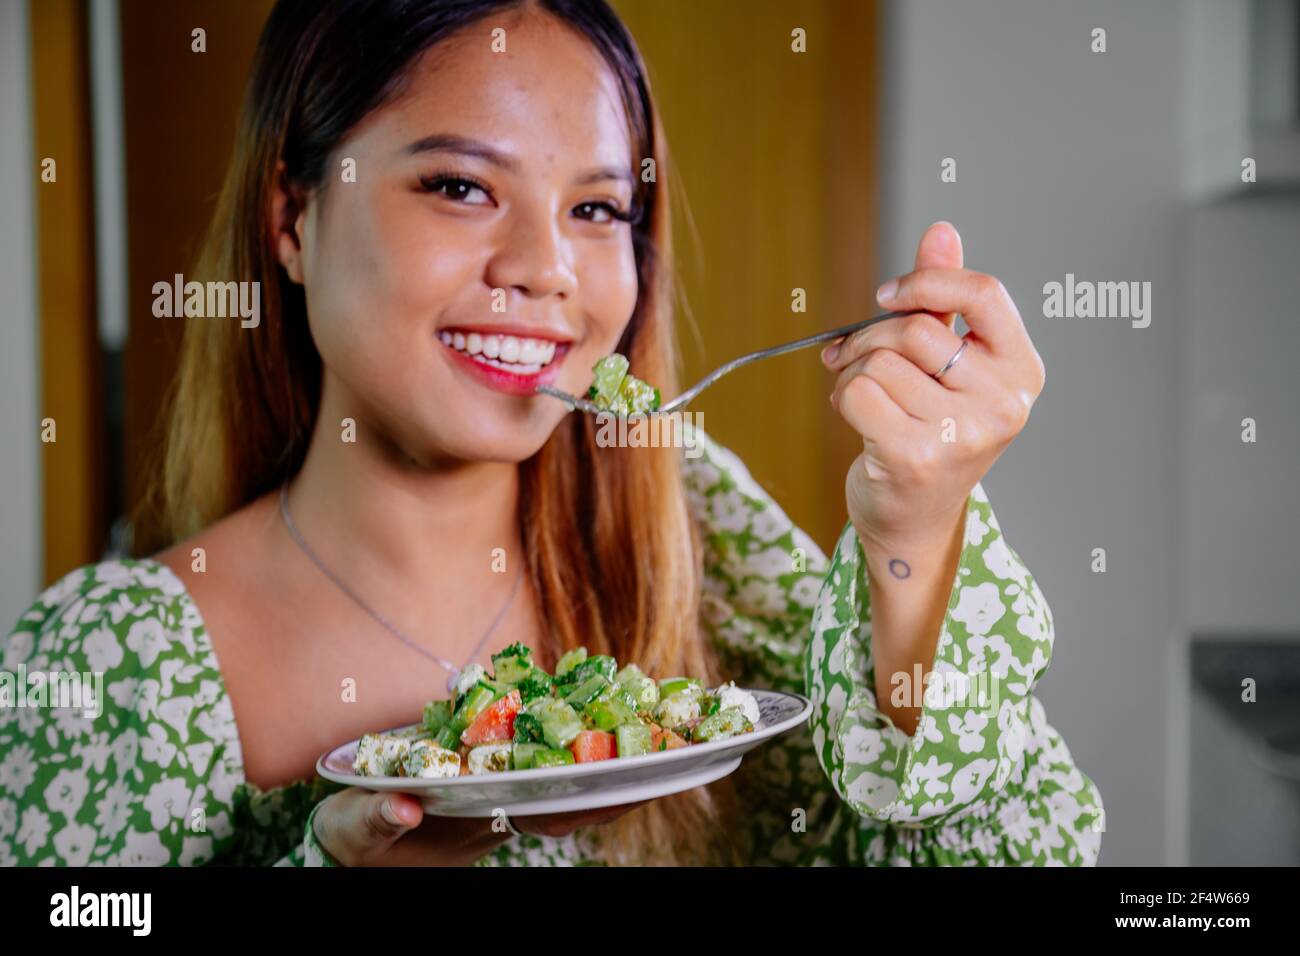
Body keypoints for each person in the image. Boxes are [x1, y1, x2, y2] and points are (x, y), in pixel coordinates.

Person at [0, 0, 1101, 867]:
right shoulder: (112, 668)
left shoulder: (695, 528)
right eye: (460, 186)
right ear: (292, 217)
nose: (546, 270)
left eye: (596, 209)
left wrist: (916, 532)